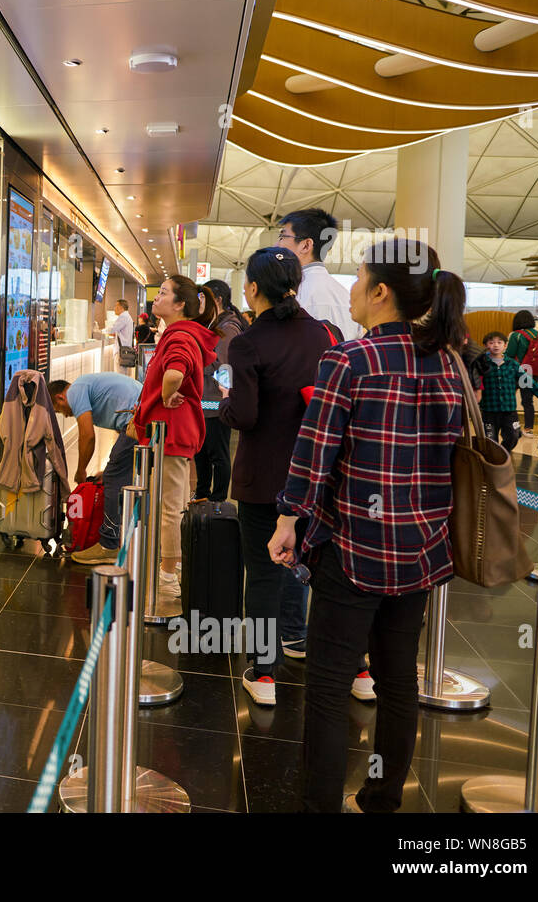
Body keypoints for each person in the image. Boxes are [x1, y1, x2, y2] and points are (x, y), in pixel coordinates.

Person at [268, 238, 467, 813]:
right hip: (424, 548)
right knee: (398, 679)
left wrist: (288, 520)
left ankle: (319, 803)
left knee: (329, 688)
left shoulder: (350, 360)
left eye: (358, 278)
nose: (350, 290)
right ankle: (381, 799)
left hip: (354, 548)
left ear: (381, 292)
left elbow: (314, 453)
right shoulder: (449, 362)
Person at [217, 249, 330, 706]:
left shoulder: (248, 343)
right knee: (305, 563)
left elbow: (244, 415)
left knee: (263, 571)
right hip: (315, 478)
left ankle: (264, 674)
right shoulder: (327, 334)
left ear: (253, 288)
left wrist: (224, 403)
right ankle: (297, 639)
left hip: (264, 477)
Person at [127, 276, 218, 595]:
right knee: (173, 500)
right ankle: (172, 563)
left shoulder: (179, 336)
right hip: (172, 433)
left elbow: (175, 373)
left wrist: (166, 396)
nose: (156, 298)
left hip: (170, 433)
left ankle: (168, 572)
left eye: (163, 294)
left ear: (180, 305)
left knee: (169, 504)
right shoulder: (183, 333)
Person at [48, 372, 143, 564]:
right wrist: (107, 471)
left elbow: (87, 435)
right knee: (115, 477)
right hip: (139, 417)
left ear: (60, 397)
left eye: (59, 410)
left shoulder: (75, 391)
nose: (65, 414)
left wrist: (80, 470)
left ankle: (108, 545)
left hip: (137, 419)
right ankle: (125, 535)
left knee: (114, 481)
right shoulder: (86, 385)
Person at [193, 279, 247, 502]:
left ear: (217, 300)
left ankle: (217, 501)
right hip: (208, 402)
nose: (199, 304)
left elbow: (224, 367)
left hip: (215, 404)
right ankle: (203, 495)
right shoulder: (216, 325)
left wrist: (195, 362)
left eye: (203, 298)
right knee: (203, 453)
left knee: (218, 455)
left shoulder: (227, 328)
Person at [276, 208, 362, 340]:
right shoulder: (346, 297)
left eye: (282, 237)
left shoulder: (297, 295)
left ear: (306, 245)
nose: (277, 244)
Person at [505, 310, 538, 435]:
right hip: (533, 372)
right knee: (527, 401)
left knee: (509, 398)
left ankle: (512, 425)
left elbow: (510, 354)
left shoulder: (516, 335)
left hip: (517, 371)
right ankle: (528, 428)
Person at [479, 332, 521, 451]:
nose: (495, 345)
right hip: (489, 411)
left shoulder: (513, 364)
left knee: (514, 435)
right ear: (486, 345)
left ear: (505, 345)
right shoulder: (481, 364)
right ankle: (496, 460)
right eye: (491, 342)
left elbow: (530, 384)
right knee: (490, 440)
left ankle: (502, 453)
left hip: (509, 411)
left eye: (499, 342)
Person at [109, 298, 134, 372]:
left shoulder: (123, 317)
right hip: (124, 350)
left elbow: (112, 329)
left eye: (115, 306)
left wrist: (102, 331)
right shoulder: (127, 316)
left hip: (121, 351)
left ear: (120, 307)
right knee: (122, 374)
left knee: (119, 374)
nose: (114, 308)